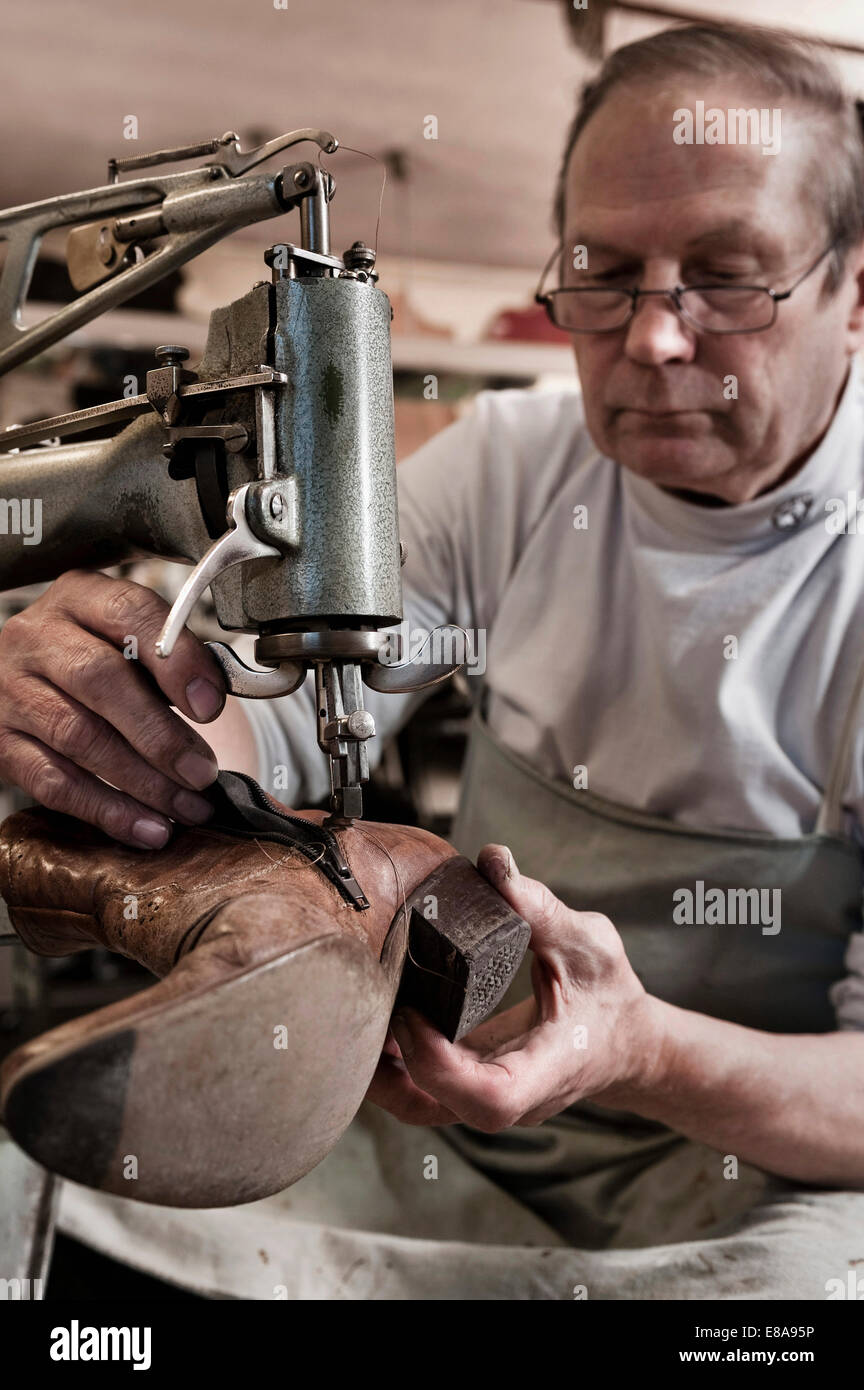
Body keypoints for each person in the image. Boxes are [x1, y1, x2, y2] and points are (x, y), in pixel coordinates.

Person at [4, 19, 864, 1299]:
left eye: (729, 277)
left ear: (855, 295)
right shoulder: (518, 463)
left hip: (745, 1162)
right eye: (604, 273)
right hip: (427, 1113)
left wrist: (633, 1051)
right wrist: (123, 714)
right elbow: (263, 714)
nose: (653, 342)